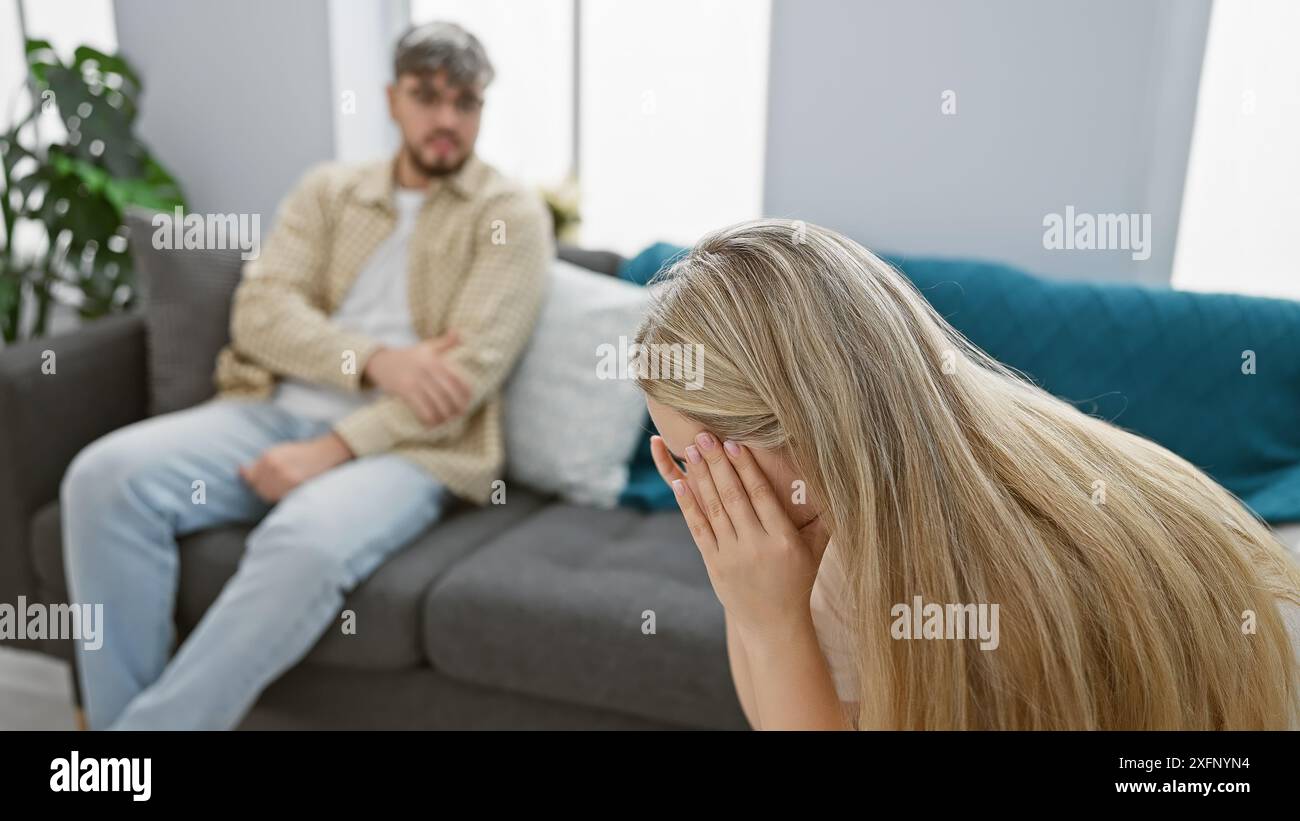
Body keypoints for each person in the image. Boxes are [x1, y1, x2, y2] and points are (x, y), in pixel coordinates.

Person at [61, 21, 553, 730]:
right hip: (268, 407)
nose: (447, 119)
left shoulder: (509, 216)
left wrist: (328, 451)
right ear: (391, 99)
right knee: (102, 478)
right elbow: (260, 313)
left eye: (465, 102)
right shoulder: (329, 191)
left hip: (410, 447)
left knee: (302, 543)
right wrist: (376, 360)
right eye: (427, 96)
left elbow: (462, 380)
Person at [636, 218, 1300, 730]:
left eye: (701, 461)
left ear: (806, 420)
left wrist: (773, 623)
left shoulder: (977, 590)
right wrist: (754, 608)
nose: (703, 499)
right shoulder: (958, 448)